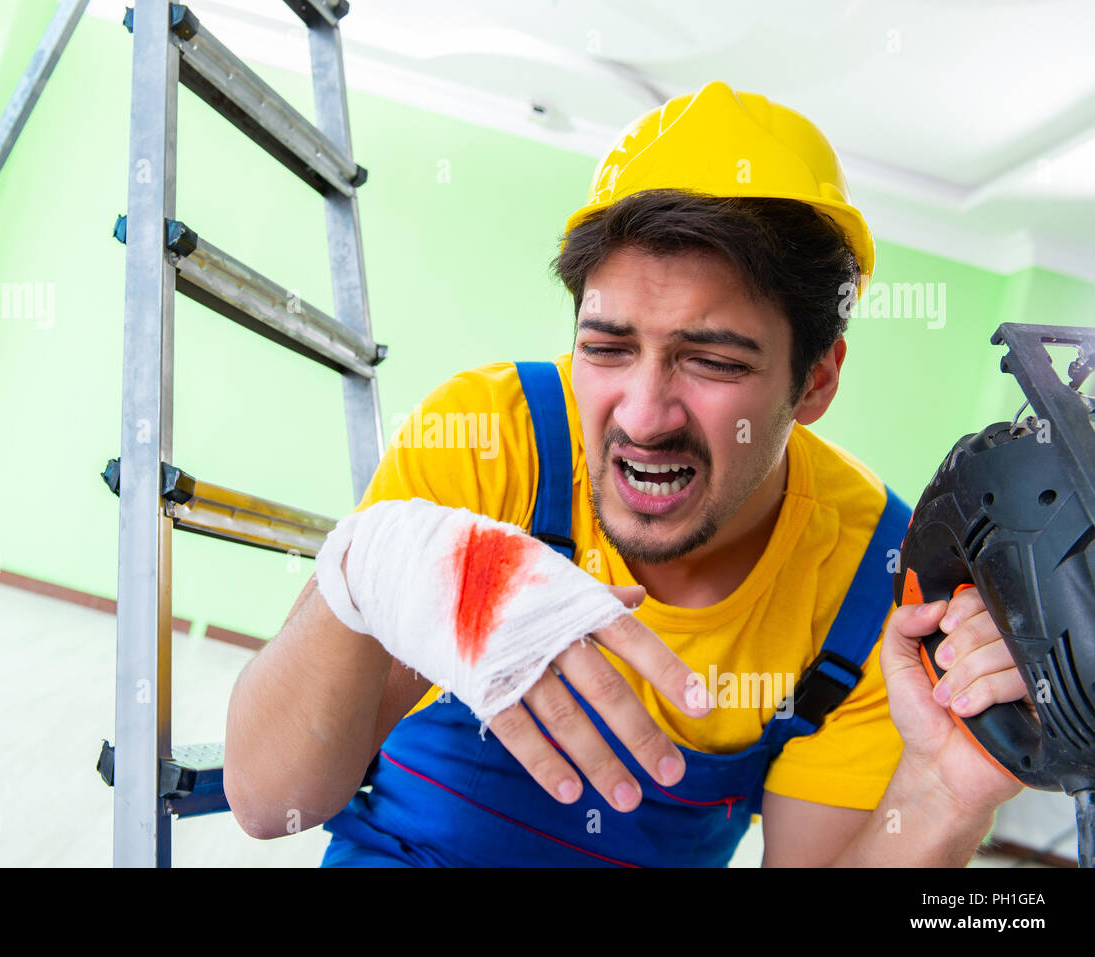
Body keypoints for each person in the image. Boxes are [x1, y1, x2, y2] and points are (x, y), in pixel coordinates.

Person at [222, 81, 1030, 866]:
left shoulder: (870, 578)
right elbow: (266, 799)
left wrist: (943, 794)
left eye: (712, 361)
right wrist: (372, 565)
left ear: (815, 379)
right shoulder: (491, 442)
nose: (643, 417)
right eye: (606, 348)